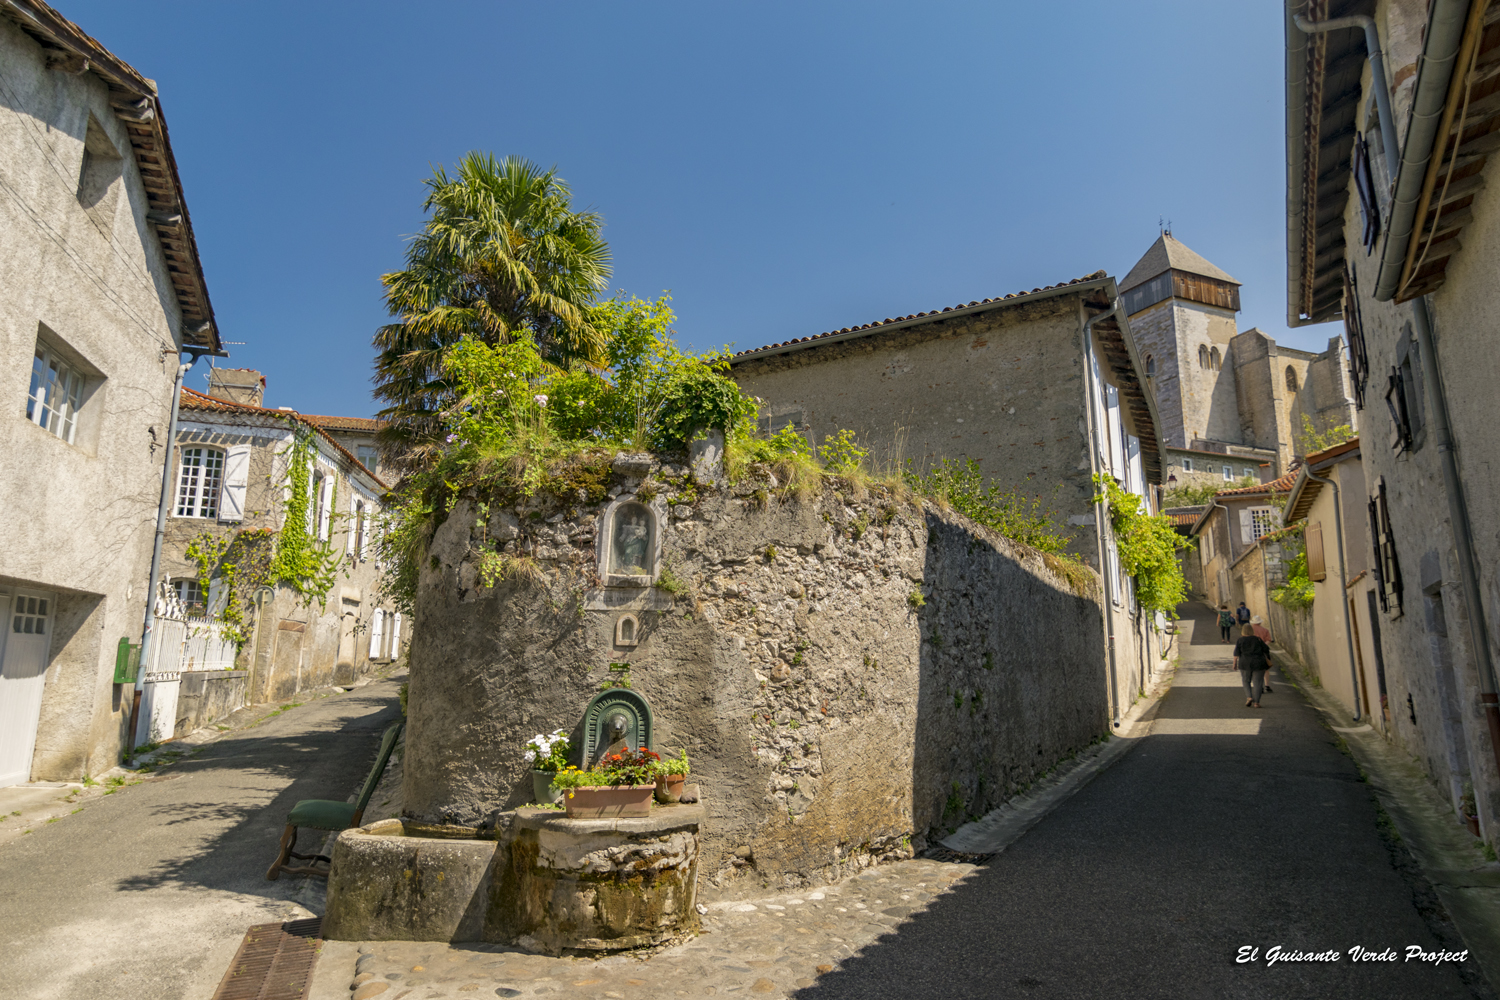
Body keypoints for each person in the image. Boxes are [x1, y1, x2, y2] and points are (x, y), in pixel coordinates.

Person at [1234, 624, 1272, 708]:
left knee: (1246, 681)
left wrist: (1234, 664)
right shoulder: (1258, 639)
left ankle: (1249, 697)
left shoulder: (1240, 640)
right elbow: (1266, 649)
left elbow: (1236, 654)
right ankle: (1256, 703)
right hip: (1259, 663)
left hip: (1245, 663)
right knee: (1258, 683)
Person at [1250, 616, 1274, 694]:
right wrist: (1263, 646)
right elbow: (1268, 640)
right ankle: (1267, 685)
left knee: (1255, 669)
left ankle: (1259, 687)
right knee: (1265, 668)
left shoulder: (1249, 630)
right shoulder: (1265, 630)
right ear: (1260, 622)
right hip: (1263, 651)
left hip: (1253, 651)